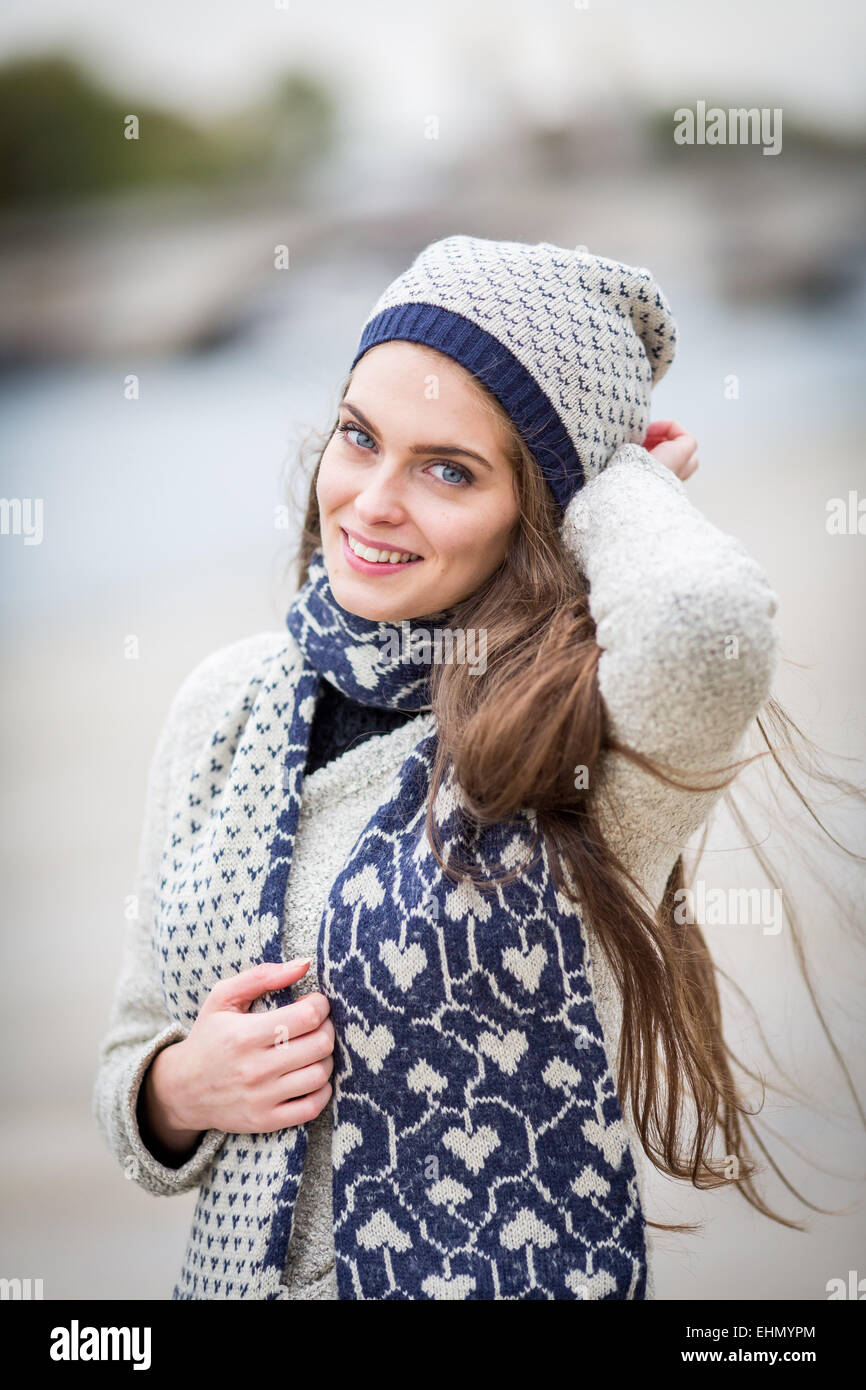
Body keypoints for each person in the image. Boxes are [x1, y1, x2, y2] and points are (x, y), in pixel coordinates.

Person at [92, 234, 848, 1301]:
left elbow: (703, 625)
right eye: (359, 437)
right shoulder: (227, 702)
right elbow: (130, 1057)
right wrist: (182, 1085)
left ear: (540, 511)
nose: (370, 503)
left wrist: (615, 478)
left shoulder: (591, 732)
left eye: (449, 468)